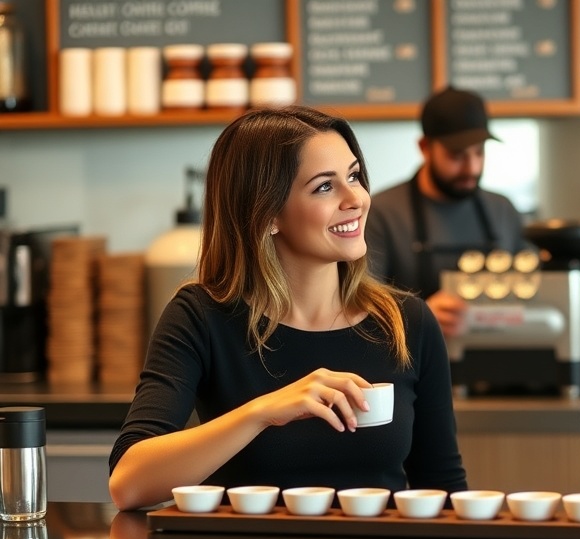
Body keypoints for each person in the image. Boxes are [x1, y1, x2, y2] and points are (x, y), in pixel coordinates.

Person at [108, 106, 467, 511]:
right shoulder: (202, 316)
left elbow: (444, 491)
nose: (357, 199)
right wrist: (263, 412)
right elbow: (128, 483)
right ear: (267, 214)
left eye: (353, 177)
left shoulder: (407, 322)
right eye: (325, 187)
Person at [365, 86, 528, 337]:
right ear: (424, 147)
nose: (472, 168)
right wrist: (418, 318)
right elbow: (361, 305)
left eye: (479, 152)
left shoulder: (503, 210)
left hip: (498, 357)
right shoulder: (382, 213)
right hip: (416, 355)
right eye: (456, 155)